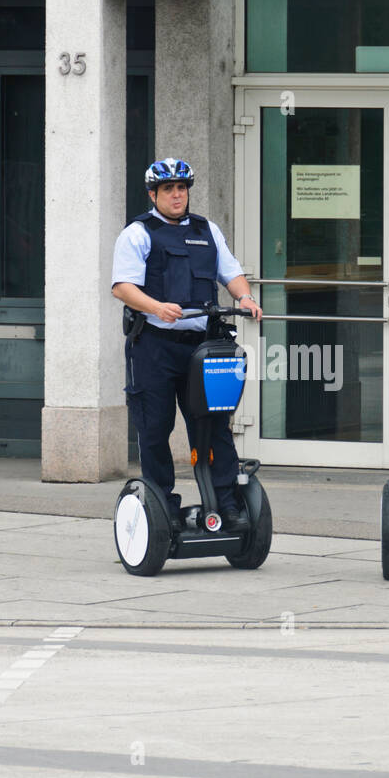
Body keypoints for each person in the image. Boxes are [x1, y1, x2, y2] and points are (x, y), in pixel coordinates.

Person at [111, 158, 263, 529]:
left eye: (182, 188)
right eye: (168, 189)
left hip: (202, 345)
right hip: (155, 346)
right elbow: (122, 287)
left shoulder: (206, 230)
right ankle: (163, 509)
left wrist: (244, 298)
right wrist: (155, 307)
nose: (177, 195)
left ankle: (227, 504)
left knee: (213, 426)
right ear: (153, 194)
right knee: (155, 429)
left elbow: (232, 273)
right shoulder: (138, 233)